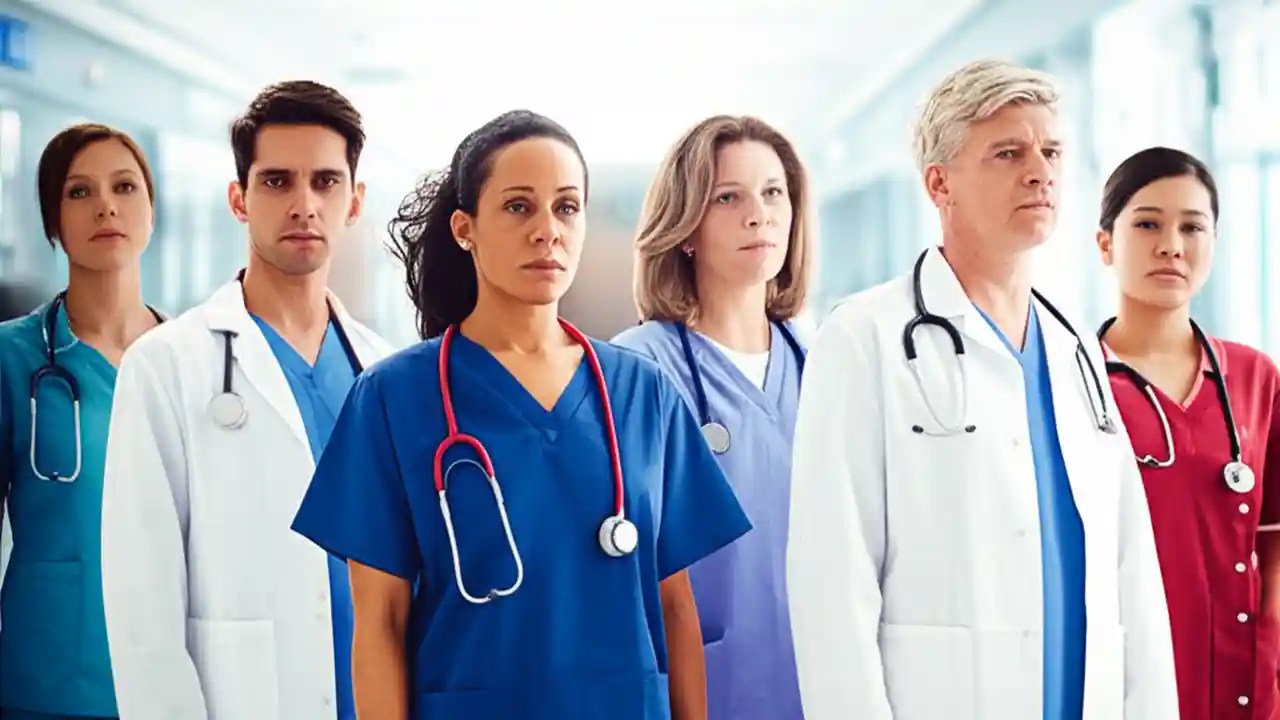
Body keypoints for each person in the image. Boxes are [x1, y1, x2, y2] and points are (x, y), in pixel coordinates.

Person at [290, 109, 752, 720]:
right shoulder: (392, 398)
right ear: (465, 228)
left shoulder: (643, 392)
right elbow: (379, 622)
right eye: (517, 207)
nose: (547, 231)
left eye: (566, 207)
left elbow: (675, 609)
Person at [785, 59, 1179, 719]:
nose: (1040, 170)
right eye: (1008, 152)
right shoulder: (864, 337)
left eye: (1051, 150)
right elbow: (832, 583)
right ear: (939, 183)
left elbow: (1132, 572)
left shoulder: (1077, 349)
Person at [99, 81, 392, 719]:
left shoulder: (386, 369)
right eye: (277, 181)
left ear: (355, 201)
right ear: (239, 198)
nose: (304, 204)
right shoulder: (166, 365)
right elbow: (141, 605)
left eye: (325, 182)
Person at [611, 115, 812, 720]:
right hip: (707, 688)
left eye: (773, 192)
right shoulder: (635, 372)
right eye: (729, 197)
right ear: (686, 228)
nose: (760, 214)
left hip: (821, 680)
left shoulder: (824, 362)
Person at [1094, 146, 1280, 718]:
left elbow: (1273, 539)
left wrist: (1270, 650)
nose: (1171, 244)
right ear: (1106, 243)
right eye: (1147, 223)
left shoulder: (1254, 378)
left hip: (1248, 682)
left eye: (1192, 227)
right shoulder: (1077, 383)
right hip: (1126, 684)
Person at [0, 123, 164, 720]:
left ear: (151, 212)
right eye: (78, 192)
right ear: (52, 222)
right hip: (47, 685)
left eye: (125, 187)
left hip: (169, 682)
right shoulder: (13, 360)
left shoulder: (194, 362)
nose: (106, 206)